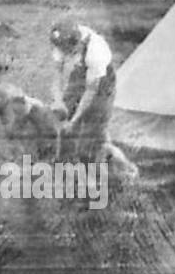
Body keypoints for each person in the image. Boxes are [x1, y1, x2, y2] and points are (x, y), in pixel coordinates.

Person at [49, 19, 137, 174]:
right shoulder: (62, 39)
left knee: (96, 134)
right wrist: (58, 101)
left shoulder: (96, 53)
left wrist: (74, 121)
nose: (63, 54)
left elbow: (90, 91)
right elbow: (57, 74)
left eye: (67, 51)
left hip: (101, 83)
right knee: (61, 120)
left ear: (76, 45)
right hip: (80, 74)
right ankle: (63, 164)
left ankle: (126, 169)